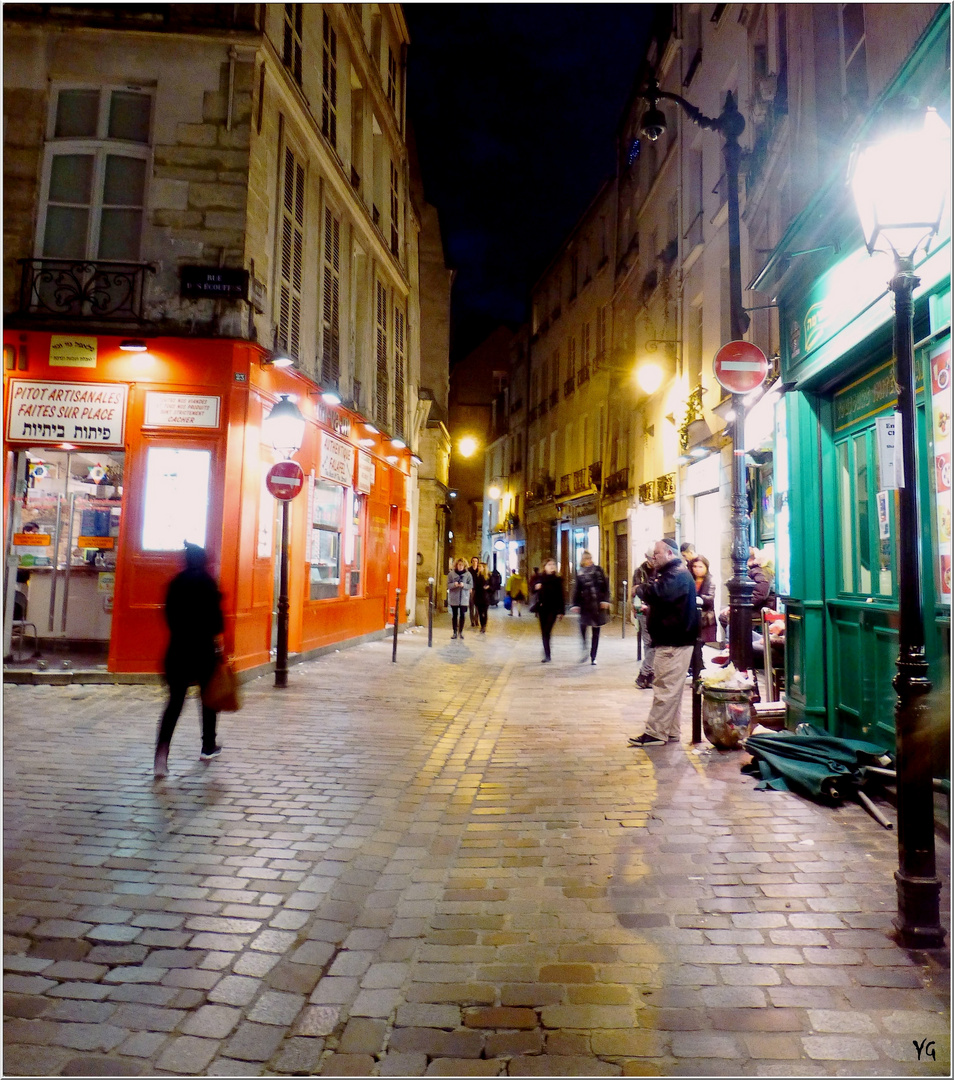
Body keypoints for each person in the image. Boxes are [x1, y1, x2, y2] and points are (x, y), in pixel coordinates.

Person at [154, 543, 225, 779]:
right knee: (208, 700)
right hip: (203, 650)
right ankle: (208, 746)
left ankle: (161, 757)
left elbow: (167, 615)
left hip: (177, 650)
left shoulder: (176, 583)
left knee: (174, 704)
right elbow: (217, 623)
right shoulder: (207, 582)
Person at [629, 539, 699, 747]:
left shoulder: (676, 574)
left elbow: (658, 593)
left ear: (669, 553)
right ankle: (670, 731)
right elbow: (668, 602)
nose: (653, 558)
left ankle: (655, 732)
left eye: (657, 554)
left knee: (664, 688)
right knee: (671, 690)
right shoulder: (673, 573)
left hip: (673, 642)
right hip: (673, 639)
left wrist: (640, 589)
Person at [718, 547, 774, 641]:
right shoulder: (757, 571)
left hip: (759, 609)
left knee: (729, 616)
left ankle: (738, 642)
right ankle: (737, 641)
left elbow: (760, 594)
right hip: (756, 607)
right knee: (726, 616)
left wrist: (739, 605)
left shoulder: (760, 572)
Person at [571, 550, 610, 665]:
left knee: (596, 631)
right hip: (585, 605)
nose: (588, 560)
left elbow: (605, 586)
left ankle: (593, 656)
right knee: (582, 627)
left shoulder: (598, 570)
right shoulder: (580, 573)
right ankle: (585, 647)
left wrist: (605, 600)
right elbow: (577, 589)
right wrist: (575, 604)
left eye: (589, 558)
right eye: (586, 558)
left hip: (597, 605)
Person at [689, 553, 717, 679]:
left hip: (704, 618)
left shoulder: (710, 581)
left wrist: (696, 598)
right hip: (691, 617)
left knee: (698, 644)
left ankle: (698, 669)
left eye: (700, 566)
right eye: (695, 566)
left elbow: (710, 599)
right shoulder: (689, 579)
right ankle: (697, 669)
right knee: (694, 645)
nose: (697, 569)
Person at [632, 546, 657, 689]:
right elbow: (635, 590)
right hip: (643, 610)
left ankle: (646, 674)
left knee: (652, 643)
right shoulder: (639, 571)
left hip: (654, 609)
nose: (653, 561)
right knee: (649, 643)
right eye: (650, 558)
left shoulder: (661, 570)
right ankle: (647, 674)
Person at [534, 557, 565, 662]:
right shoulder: (540, 578)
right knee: (544, 632)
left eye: (553, 564)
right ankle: (547, 654)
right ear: (544, 567)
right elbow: (532, 590)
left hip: (553, 608)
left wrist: (561, 611)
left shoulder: (558, 579)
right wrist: (536, 587)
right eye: (549, 564)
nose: (552, 566)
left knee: (547, 630)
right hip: (542, 608)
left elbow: (561, 596)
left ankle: (547, 653)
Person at [447, 558, 473, 640]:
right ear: (456, 565)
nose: (461, 566)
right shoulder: (451, 574)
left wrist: (464, 585)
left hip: (464, 598)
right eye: (459, 565)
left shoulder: (468, 574)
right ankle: (454, 632)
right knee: (454, 615)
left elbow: (470, 585)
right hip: (454, 597)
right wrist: (454, 584)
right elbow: (448, 585)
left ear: (464, 566)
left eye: (462, 565)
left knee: (462, 615)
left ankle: (460, 632)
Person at [473, 561, 491, 633]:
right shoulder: (477, 576)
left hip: (485, 597)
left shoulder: (488, 577)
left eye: (480, 566)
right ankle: (482, 625)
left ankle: (484, 625)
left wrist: (488, 587)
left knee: (485, 612)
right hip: (478, 596)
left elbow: (492, 586)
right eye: (478, 566)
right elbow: (475, 586)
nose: (478, 568)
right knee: (480, 612)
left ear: (484, 568)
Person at [468, 556, 481, 626]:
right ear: (471, 562)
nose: (475, 562)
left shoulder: (479, 570)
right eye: (473, 561)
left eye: (476, 561)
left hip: (478, 589)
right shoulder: (469, 570)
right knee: (471, 605)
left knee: (478, 606)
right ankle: (472, 620)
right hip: (471, 589)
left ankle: (476, 619)